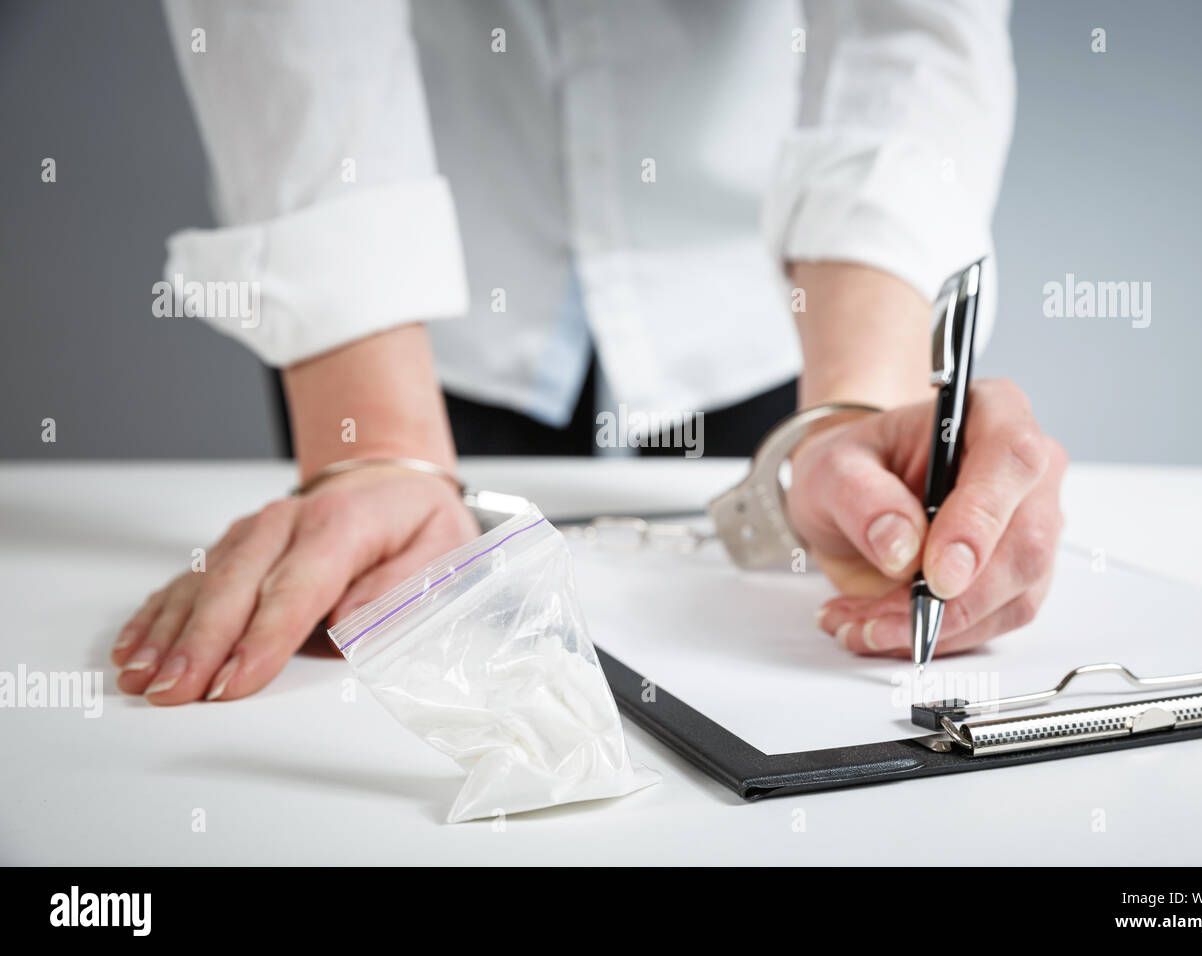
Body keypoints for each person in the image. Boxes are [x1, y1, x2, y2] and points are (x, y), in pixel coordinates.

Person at [113, 0, 1066, 705]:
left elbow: (898, 20)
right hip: (406, 277)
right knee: (381, 639)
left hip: (758, 284)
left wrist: (860, 413)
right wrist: (376, 448)